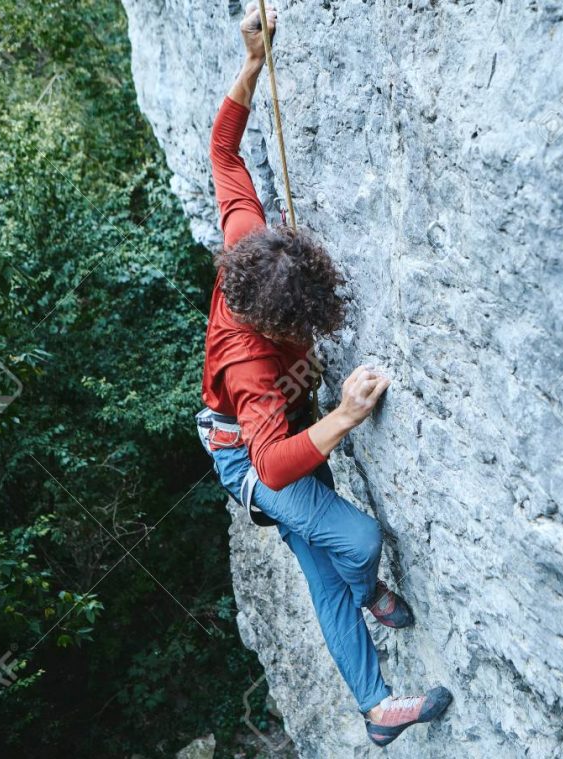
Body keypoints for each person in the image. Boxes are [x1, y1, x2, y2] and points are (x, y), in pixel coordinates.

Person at [194, 3, 452, 747]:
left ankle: (375, 708)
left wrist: (250, 65)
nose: (307, 332)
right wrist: (342, 414)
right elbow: (274, 465)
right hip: (250, 453)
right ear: (272, 327)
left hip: (276, 428)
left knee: (321, 572)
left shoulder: (248, 241)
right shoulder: (248, 365)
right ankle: (370, 589)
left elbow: (223, 154)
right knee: (357, 540)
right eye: (297, 329)